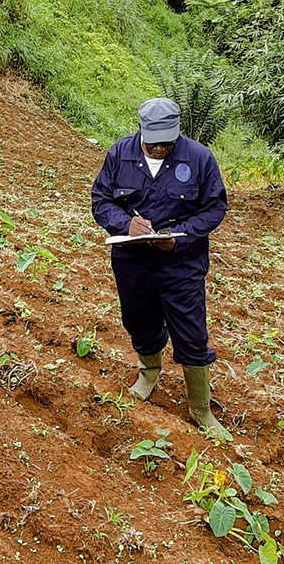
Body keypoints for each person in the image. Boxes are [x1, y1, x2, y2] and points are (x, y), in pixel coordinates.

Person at [91, 98, 228, 434]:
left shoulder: (199, 158)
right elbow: (100, 199)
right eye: (152, 143)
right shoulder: (119, 154)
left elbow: (214, 208)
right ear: (140, 132)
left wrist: (180, 238)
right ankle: (148, 371)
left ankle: (200, 409)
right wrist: (125, 225)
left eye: (166, 143)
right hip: (132, 261)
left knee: (192, 332)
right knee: (138, 319)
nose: (159, 149)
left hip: (181, 263)